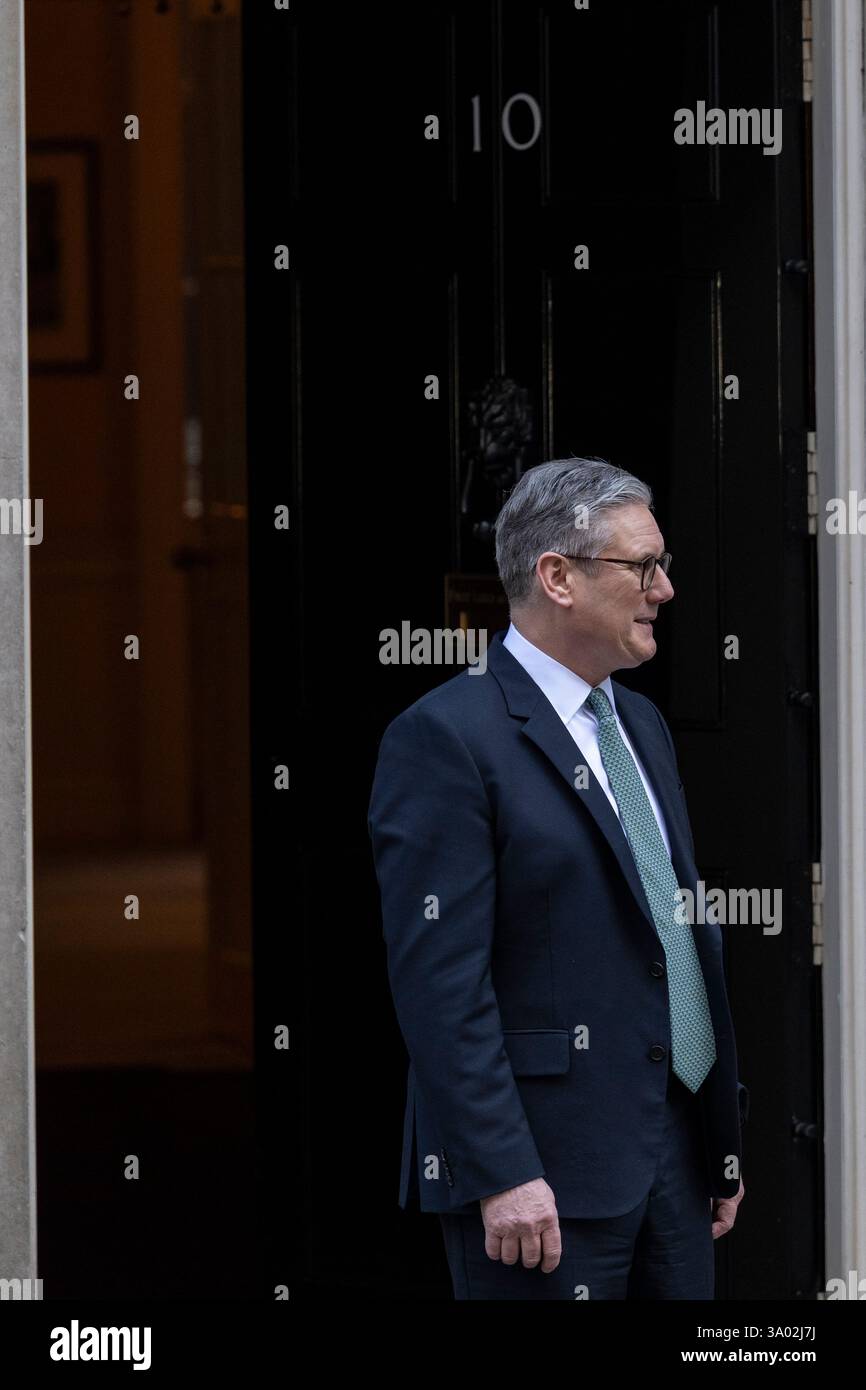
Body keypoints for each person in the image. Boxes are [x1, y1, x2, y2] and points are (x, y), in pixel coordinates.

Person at [368, 457, 748, 1300]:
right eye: (643, 566)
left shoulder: (641, 723)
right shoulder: (445, 738)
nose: (664, 590)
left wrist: (719, 1132)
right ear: (558, 576)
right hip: (540, 1181)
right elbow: (440, 985)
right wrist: (502, 1170)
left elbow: (671, 933)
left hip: (677, 1160)